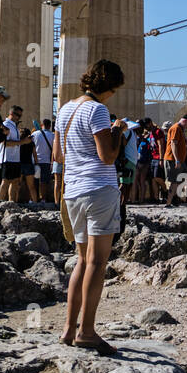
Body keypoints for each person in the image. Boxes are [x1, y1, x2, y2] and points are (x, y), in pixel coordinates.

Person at [53, 60, 125, 356]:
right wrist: (118, 131)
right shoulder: (97, 110)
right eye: (114, 90)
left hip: (73, 192)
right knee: (97, 262)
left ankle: (69, 329)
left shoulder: (65, 109)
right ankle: (87, 331)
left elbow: (58, 155)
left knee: (82, 261)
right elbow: (107, 156)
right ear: (109, 86)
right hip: (99, 189)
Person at [0, 105, 26, 203]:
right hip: (7, 157)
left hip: (15, 158)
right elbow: (5, 143)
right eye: (18, 115)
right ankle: (0, 202)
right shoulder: (5, 125)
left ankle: (11, 202)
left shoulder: (14, 126)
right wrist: (23, 142)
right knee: (5, 181)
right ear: (11, 114)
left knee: (15, 181)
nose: (19, 117)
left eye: (20, 116)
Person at [163, 114, 187, 206]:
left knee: (185, 178)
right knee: (174, 181)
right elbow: (173, 144)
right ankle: (168, 202)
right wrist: (177, 160)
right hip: (173, 159)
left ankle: (175, 198)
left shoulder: (180, 129)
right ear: (185, 121)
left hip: (179, 160)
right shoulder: (176, 128)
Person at [32, 119, 55, 204]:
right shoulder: (53, 135)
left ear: (42, 125)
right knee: (44, 181)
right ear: (50, 126)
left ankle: (34, 198)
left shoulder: (34, 134)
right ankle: (43, 199)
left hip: (35, 160)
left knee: (34, 181)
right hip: (47, 161)